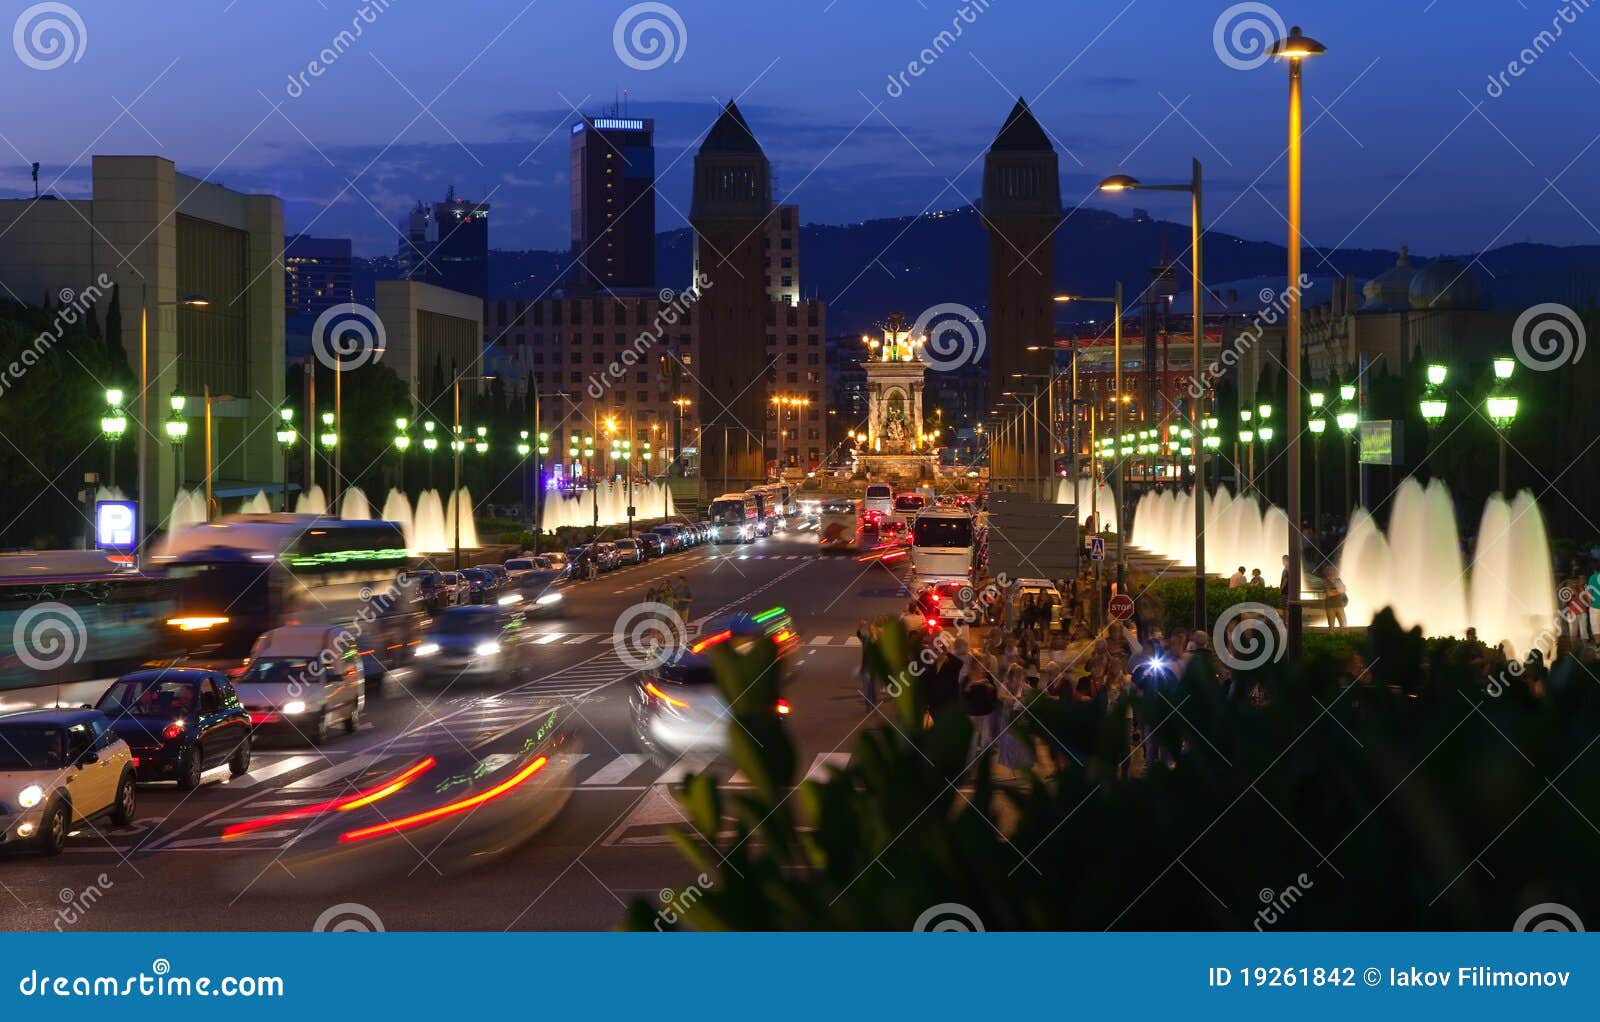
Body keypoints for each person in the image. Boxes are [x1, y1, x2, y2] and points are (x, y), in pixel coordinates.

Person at [856, 618, 878, 707]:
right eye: (870, 629)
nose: (872, 631)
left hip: (874, 668)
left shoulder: (878, 641)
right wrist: (860, 627)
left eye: (873, 629)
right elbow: (858, 634)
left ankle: (873, 703)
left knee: (872, 687)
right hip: (865, 667)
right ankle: (868, 703)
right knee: (867, 686)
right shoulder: (865, 639)